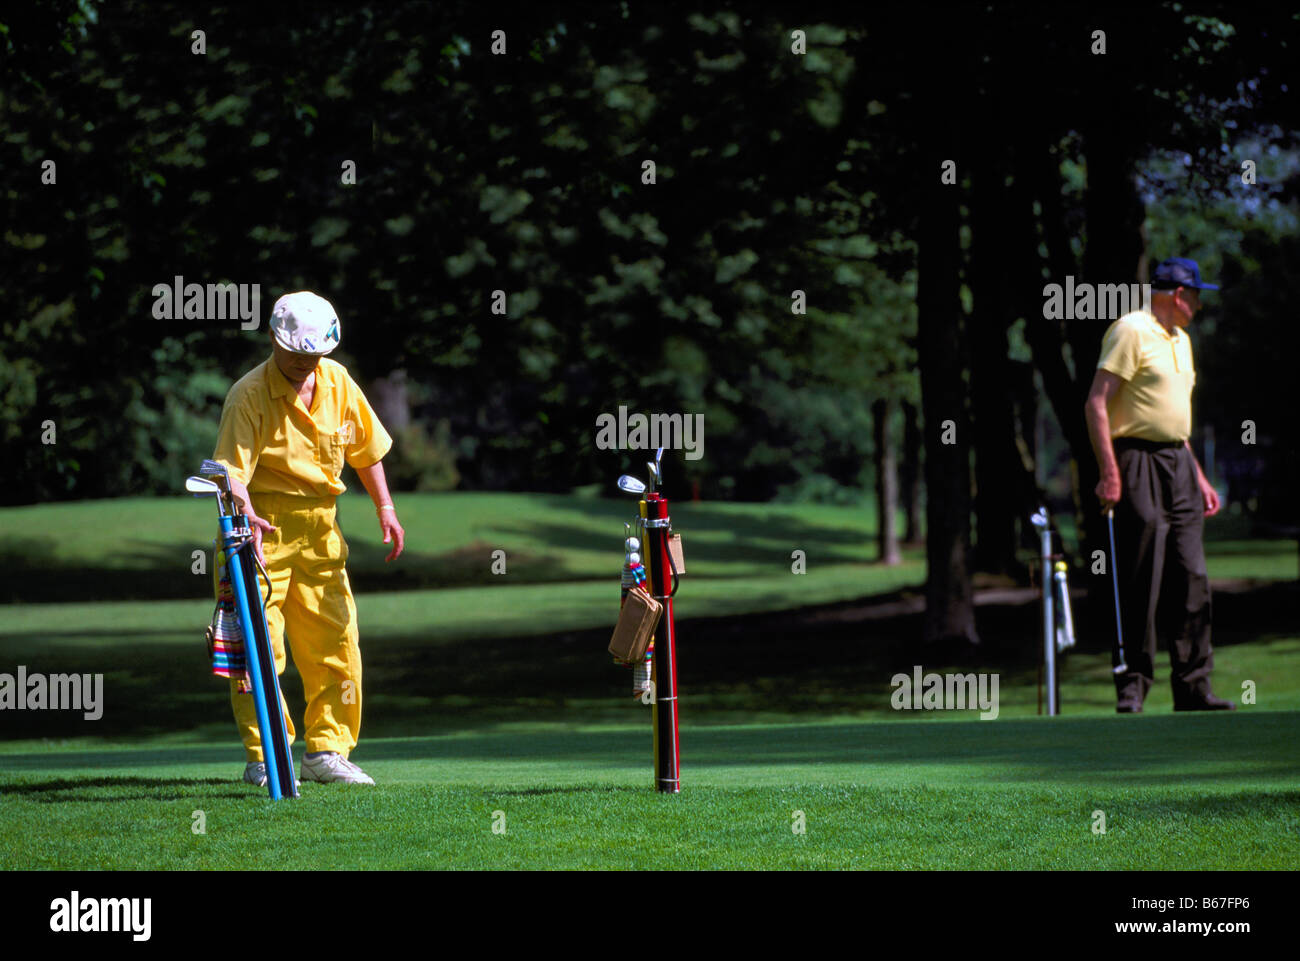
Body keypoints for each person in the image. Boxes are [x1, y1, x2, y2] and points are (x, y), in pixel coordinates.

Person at [211, 291, 405, 785]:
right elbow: (230, 472)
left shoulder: (338, 381)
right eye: (296, 353)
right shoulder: (248, 394)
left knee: (337, 644)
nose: (305, 363)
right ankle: (265, 756)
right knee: (259, 652)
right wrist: (247, 514)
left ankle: (327, 752)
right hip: (257, 531)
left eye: (314, 355)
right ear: (275, 342)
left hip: (321, 529)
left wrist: (385, 507)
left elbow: (366, 449)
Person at [1084, 257, 1235, 713]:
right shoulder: (1130, 330)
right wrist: (1109, 471)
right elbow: (1096, 403)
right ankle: (1133, 687)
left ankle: (1194, 687)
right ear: (1176, 294)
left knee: (1192, 576)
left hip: (1179, 463)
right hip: (1135, 460)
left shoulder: (1182, 341)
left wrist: (1200, 476)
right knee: (1141, 574)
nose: (1198, 304)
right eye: (1195, 296)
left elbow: (1175, 422)